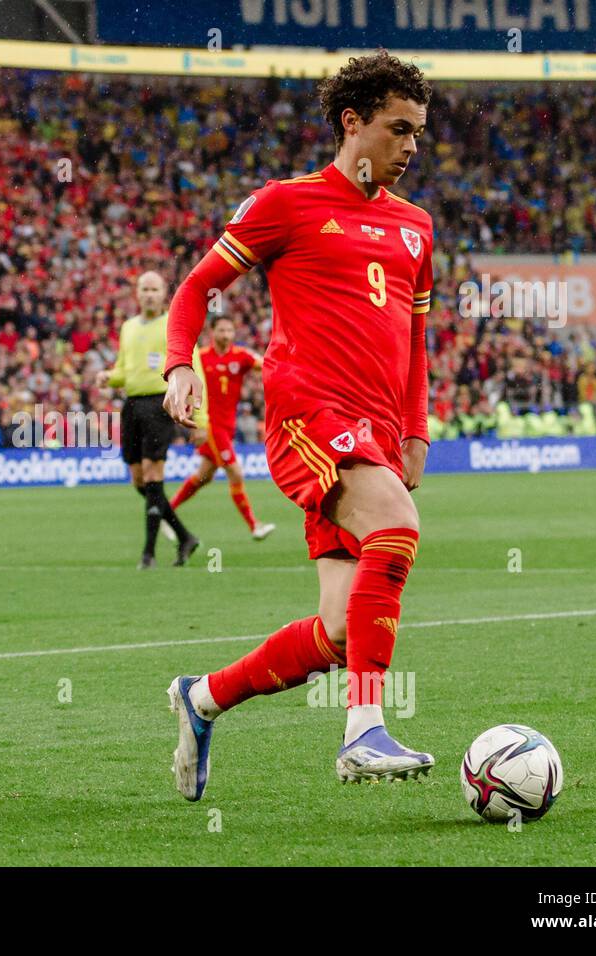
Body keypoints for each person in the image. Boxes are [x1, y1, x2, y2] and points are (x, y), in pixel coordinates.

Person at [161, 51, 436, 798]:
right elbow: (197, 288)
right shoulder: (287, 202)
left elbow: (414, 346)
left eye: (418, 133)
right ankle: (363, 731)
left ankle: (203, 696)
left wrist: (414, 433)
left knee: (340, 631)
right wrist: (179, 363)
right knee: (397, 526)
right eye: (397, 129)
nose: (411, 147)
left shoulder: (417, 228)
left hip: (376, 432)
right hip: (307, 414)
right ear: (353, 123)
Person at [94, 271, 209, 569]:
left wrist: (201, 418)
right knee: (139, 478)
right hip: (132, 405)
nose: (148, 294)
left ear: (163, 293)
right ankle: (184, 536)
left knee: (152, 473)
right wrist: (110, 376)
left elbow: (195, 368)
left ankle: (148, 554)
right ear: (137, 293)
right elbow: (125, 370)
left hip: (160, 403)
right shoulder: (129, 327)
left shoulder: (174, 324)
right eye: (144, 289)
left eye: (154, 289)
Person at [167, 314, 276, 541]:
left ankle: (166, 513)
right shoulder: (201, 358)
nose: (226, 335)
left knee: (203, 476)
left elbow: (266, 367)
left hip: (228, 427)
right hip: (211, 426)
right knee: (235, 473)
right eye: (222, 330)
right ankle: (254, 526)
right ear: (212, 333)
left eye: (230, 331)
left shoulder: (241, 356)